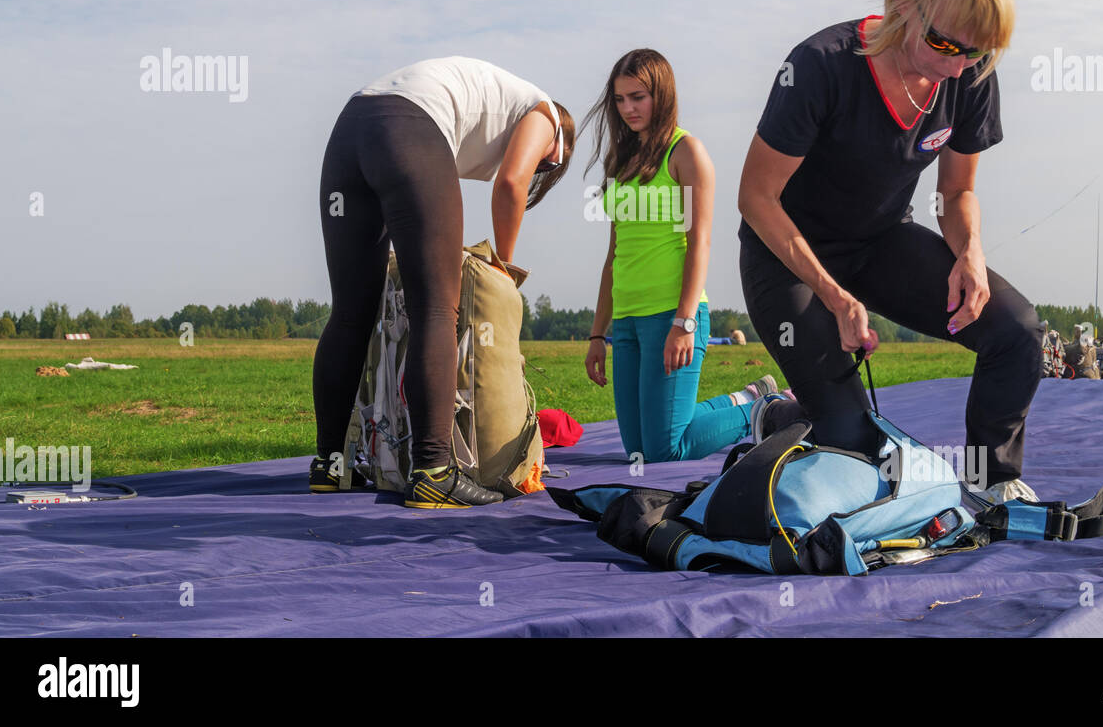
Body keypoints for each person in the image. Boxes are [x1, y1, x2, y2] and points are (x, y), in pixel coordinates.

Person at [736, 0, 1044, 505]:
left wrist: (970, 253)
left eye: (977, 52)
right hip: (789, 257)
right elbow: (756, 198)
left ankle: (989, 484)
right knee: (856, 451)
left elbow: (955, 193)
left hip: (879, 243)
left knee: (1017, 332)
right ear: (906, 2)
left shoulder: (968, 70)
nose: (957, 66)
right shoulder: (821, 65)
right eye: (944, 44)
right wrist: (833, 296)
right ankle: (779, 417)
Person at [311, 56, 574, 507]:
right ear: (558, 151)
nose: (541, 169)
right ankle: (434, 471)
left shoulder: (488, 102)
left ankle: (331, 467)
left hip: (349, 132)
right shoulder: (548, 117)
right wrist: (505, 269)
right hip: (409, 128)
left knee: (351, 312)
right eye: (548, 168)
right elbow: (511, 183)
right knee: (435, 308)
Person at [582, 49, 777, 463]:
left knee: (666, 449)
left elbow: (699, 242)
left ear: (662, 94)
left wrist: (684, 321)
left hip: (672, 314)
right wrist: (599, 334)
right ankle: (749, 396)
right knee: (638, 452)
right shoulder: (620, 161)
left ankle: (761, 408)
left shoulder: (686, 152)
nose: (628, 108)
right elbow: (613, 254)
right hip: (628, 322)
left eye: (637, 97)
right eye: (619, 100)